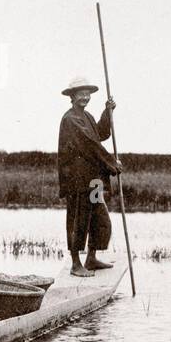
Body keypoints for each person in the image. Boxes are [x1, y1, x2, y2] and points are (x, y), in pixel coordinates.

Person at [58, 75, 122, 277]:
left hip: (93, 181)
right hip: (77, 181)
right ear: (72, 96)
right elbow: (90, 144)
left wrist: (107, 112)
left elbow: (100, 134)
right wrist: (112, 163)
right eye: (81, 93)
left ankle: (91, 258)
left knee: (99, 217)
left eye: (87, 93)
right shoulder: (70, 119)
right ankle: (76, 264)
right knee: (79, 219)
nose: (85, 97)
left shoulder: (88, 117)